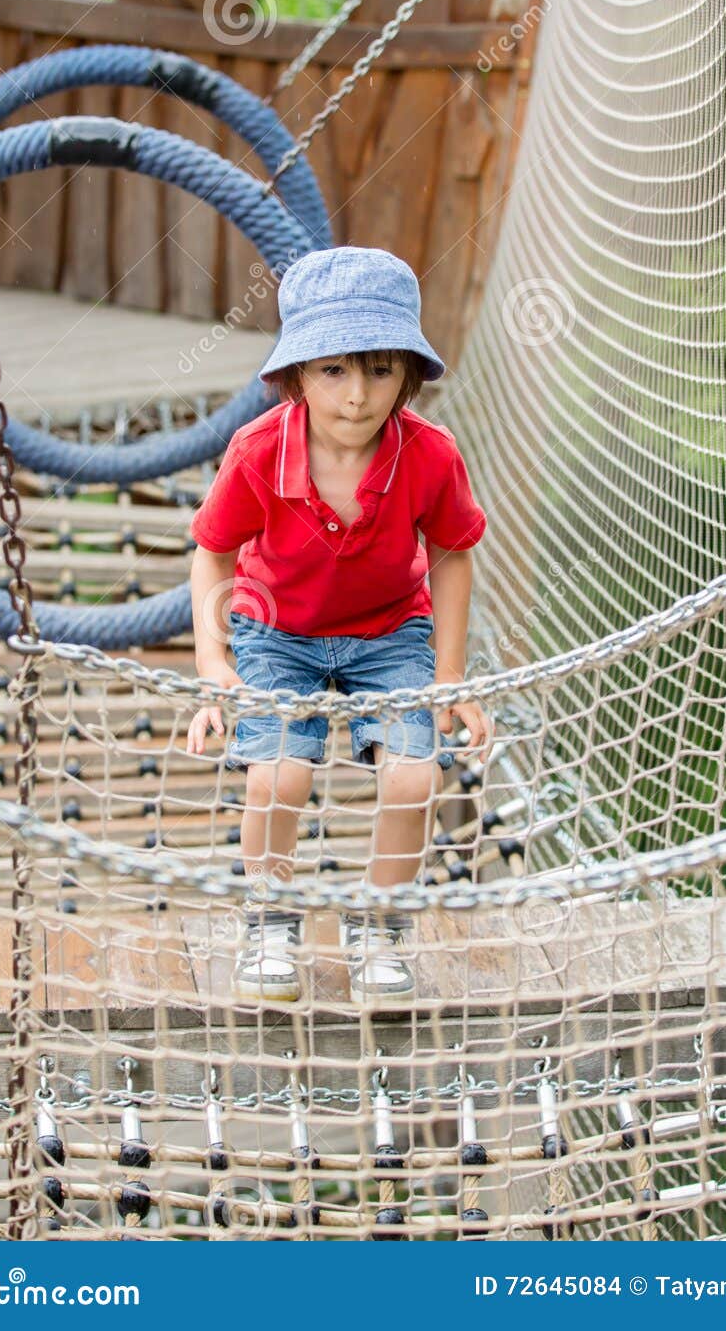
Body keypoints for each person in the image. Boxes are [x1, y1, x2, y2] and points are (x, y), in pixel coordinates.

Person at [187, 245, 493, 1005]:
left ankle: (381, 923)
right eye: (333, 370)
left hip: (388, 631)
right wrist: (212, 666)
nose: (356, 395)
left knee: (414, 775)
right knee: (281, 772)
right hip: (276, 631)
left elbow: (452, 555)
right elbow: (213, 552)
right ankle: (270, 917)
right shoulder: (259, 452)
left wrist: (449, 676)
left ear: (408, 377)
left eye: (380, 370)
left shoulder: (429, 456)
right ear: (296, 376)